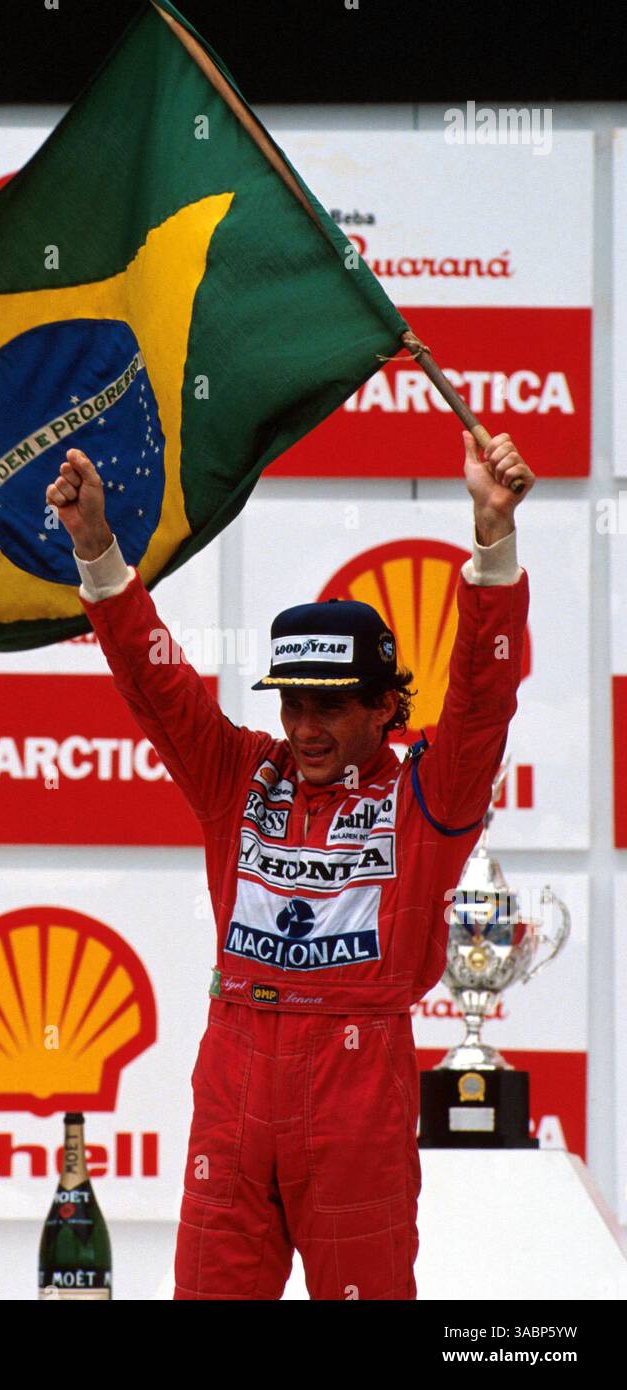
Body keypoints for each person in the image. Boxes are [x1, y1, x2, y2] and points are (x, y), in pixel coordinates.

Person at [47, 430, 534, 1301]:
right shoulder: (241, 773)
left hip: (356, 1095)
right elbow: (159, 688)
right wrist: (97, 551)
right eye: (293, 703)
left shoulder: (430, 794)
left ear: (387, 706)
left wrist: (492, 543)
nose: (305, 729)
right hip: (233, 1084)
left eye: (332, 709)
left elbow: (483, 701)